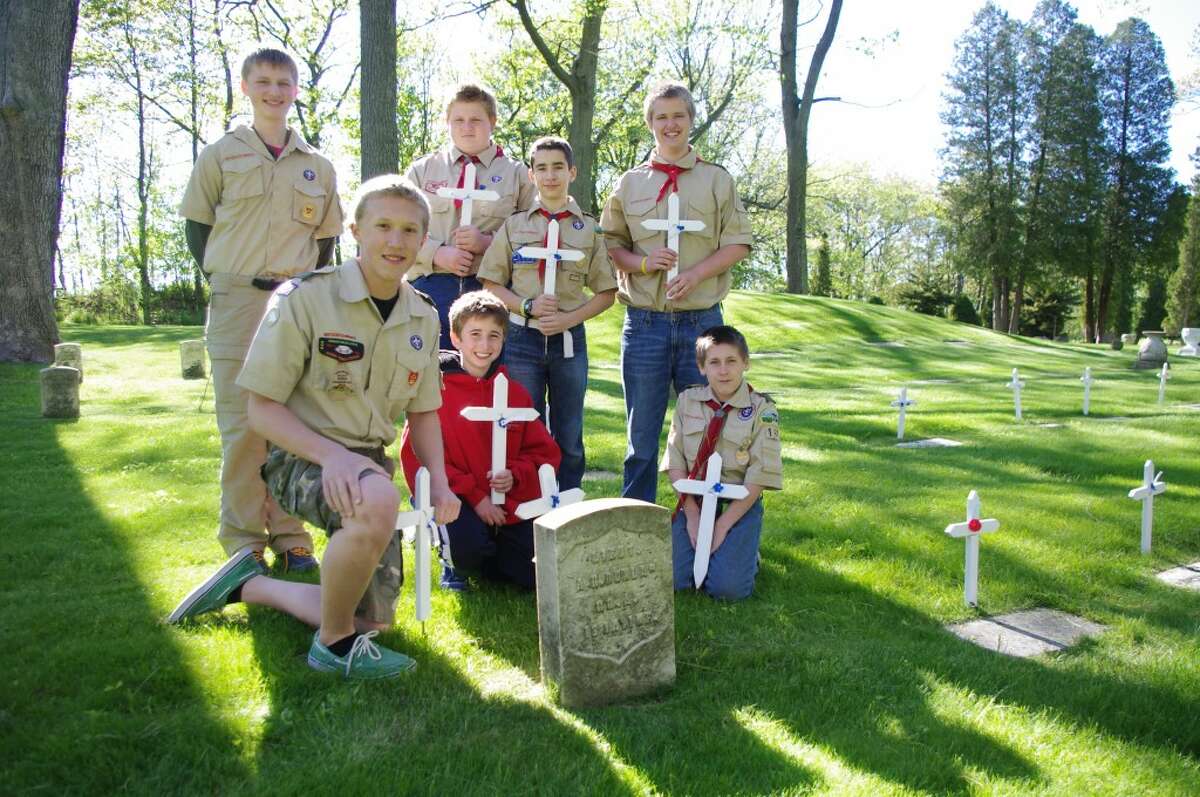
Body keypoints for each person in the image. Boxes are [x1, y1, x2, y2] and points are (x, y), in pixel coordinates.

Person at [167, 175, 460, 679]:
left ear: (422, 240)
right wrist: (333, 457)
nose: (396, 241)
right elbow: (260, 408)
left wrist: (439, 481)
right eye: (383, 226)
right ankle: (332, 645)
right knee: (376, 503)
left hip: (366, 462)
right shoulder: (304, 297)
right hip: (297, 455)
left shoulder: (423, 315)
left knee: (374, 620)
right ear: (355, 231)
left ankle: (249, 587)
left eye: (410, 231)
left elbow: (424, 410)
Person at [179, 47, 344, 573]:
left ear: (296, 90)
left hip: (296, 306)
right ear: (246, 87)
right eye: (264, 81)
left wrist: (300, 290)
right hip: (238, 302)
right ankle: (244, 544)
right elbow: (198, 229)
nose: (274, 91)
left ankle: (292, 537)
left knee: (294, 422)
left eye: (284, 82)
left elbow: (326, 243)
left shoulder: (317, 167)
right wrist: (230, 277)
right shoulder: (221, 155)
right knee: (243, 429)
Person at [600, 81, 753, 503]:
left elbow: (738, 242)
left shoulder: (716, 180)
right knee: (641, 440)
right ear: (650, 124)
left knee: (709, 431)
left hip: (702, 324)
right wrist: (645, 264)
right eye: (662, 117)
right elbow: (611, 244)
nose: (670, 125)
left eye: (678, 116)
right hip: (645, 323)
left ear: (690, 121)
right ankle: (637, 529)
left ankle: (708, 527)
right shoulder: (630, 184)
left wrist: (698, 273)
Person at [477, 136, 616, 491]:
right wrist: (526, 306)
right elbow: (491, 280)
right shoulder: (515, 225)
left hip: (569, 342)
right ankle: (527, 510)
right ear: (531, 174)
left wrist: (568, 319)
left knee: (569, 435)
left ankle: (568, 508)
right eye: (542, 168)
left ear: (572, 172)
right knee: (525, 427)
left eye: (558, 167)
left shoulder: (588, 228)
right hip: (522, 339)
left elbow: (607, 292)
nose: (550, 176)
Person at [400, 291, 560, 591]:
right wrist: (476, 497)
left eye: (493, 336)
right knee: (467, 549)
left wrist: (516, 474)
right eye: (475, 334)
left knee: (529, 574)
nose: (484, 346)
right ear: (456, 338)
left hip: (505, 503)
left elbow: (544, 453)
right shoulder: (435, 391)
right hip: (454, 496)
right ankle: (450, 557)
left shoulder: (514, 394)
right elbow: (418, 457)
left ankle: (483, 553)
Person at [404, 84, 536, 349]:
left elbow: (534, 235)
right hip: (430, 287)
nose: (467, 127)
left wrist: (488, 244)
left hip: (491, 290)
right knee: (429, 376)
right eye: (458, 120)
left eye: (476, 120)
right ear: (447, 123)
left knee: (488, 380)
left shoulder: (518, 175)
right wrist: (437, 253)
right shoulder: (422, 171)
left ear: (493, 122)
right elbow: (401, 229)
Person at [663, 325, 782, 600]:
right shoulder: (687, 401)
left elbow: (761, 473)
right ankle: (727, 550)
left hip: (737, 504)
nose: (723, 370)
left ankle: (747, 554)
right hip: (695, 501)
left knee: (726, 590)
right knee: (674, 579)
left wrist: (723, 524)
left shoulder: (763, 409)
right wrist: (691, 514)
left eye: (731, 361)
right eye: (714, 362)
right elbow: (675, 459)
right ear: (702, 367)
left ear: (746, 363)